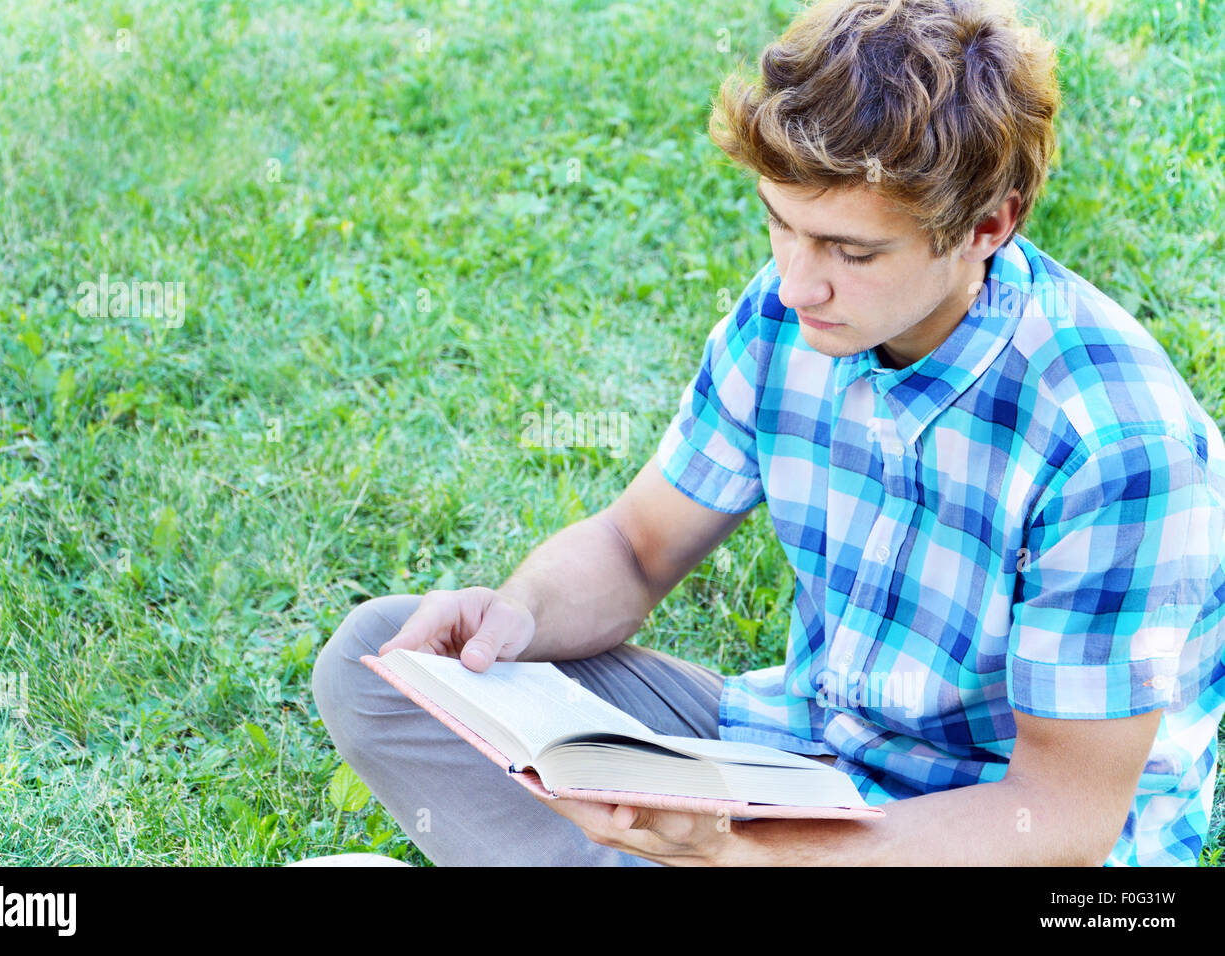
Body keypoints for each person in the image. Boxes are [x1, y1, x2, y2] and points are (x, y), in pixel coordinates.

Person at [312, 0, 1225, 865]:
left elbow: (1062, 817)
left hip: (984, 833)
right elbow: (634, 548)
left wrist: (744, 853)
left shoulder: (1116, 442)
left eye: (853, 251)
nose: (796, 283)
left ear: (988, 224)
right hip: (805, 762)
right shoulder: (787, 316)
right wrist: (518, 615)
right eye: (781, 225)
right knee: (383, 659)